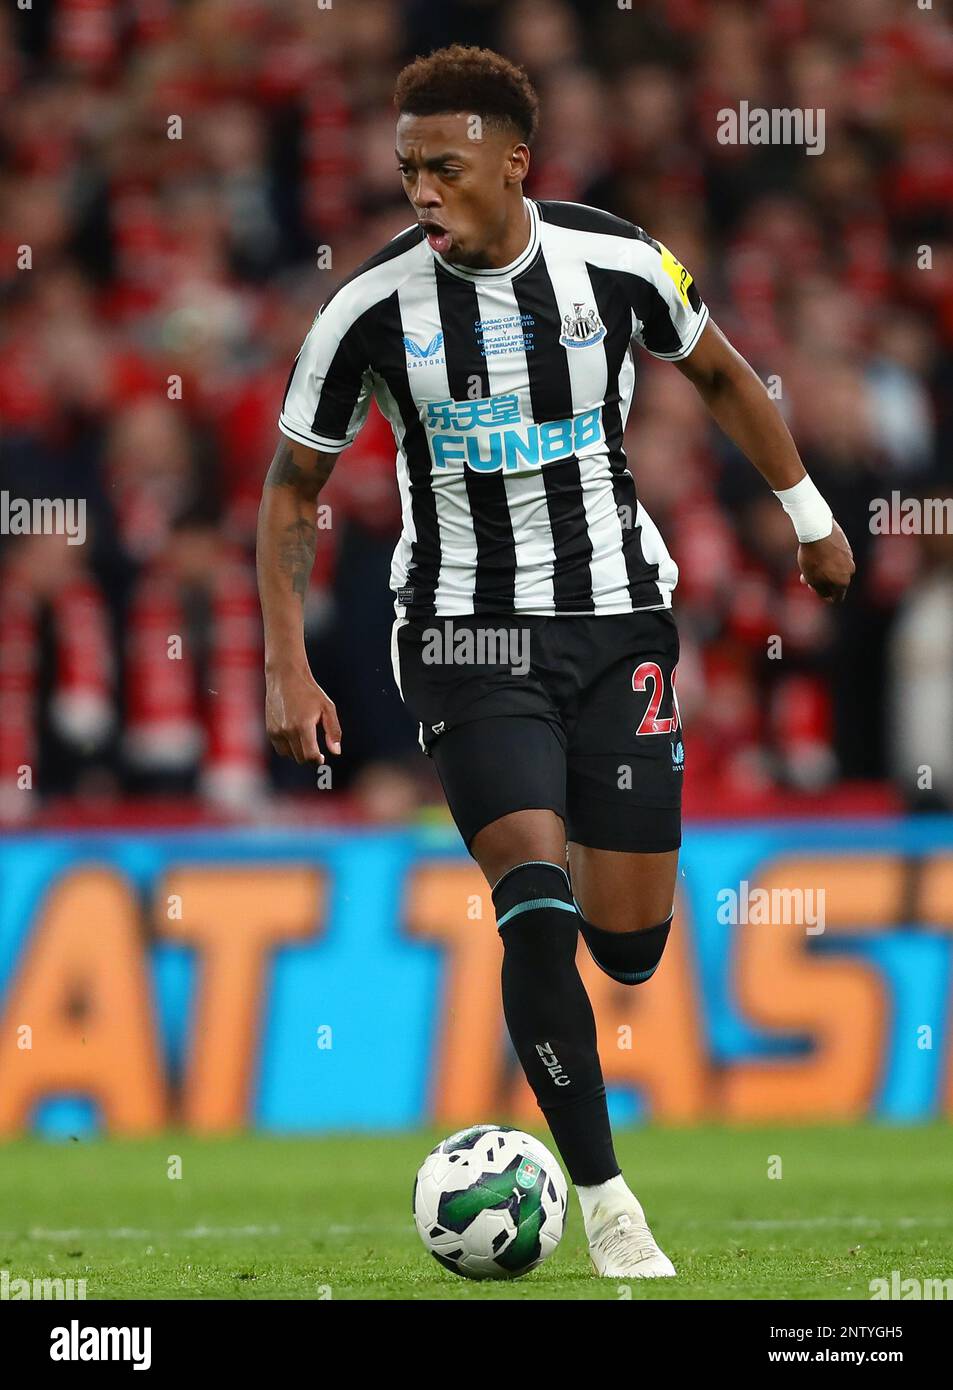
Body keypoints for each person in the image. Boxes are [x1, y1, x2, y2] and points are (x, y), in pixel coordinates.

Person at [256, 45, 855, 1277]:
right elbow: (290, 491)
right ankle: (606, 1203)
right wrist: (285, 664)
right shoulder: (365, 310)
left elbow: (723, 376)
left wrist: (810, 518)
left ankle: (588, 918)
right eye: (406, 167)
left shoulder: (619, 262)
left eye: (446, 166)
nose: (420, 189)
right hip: (465, 633)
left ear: (513, 163)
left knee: (626, 942)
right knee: (530, 900)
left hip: (615, 617)